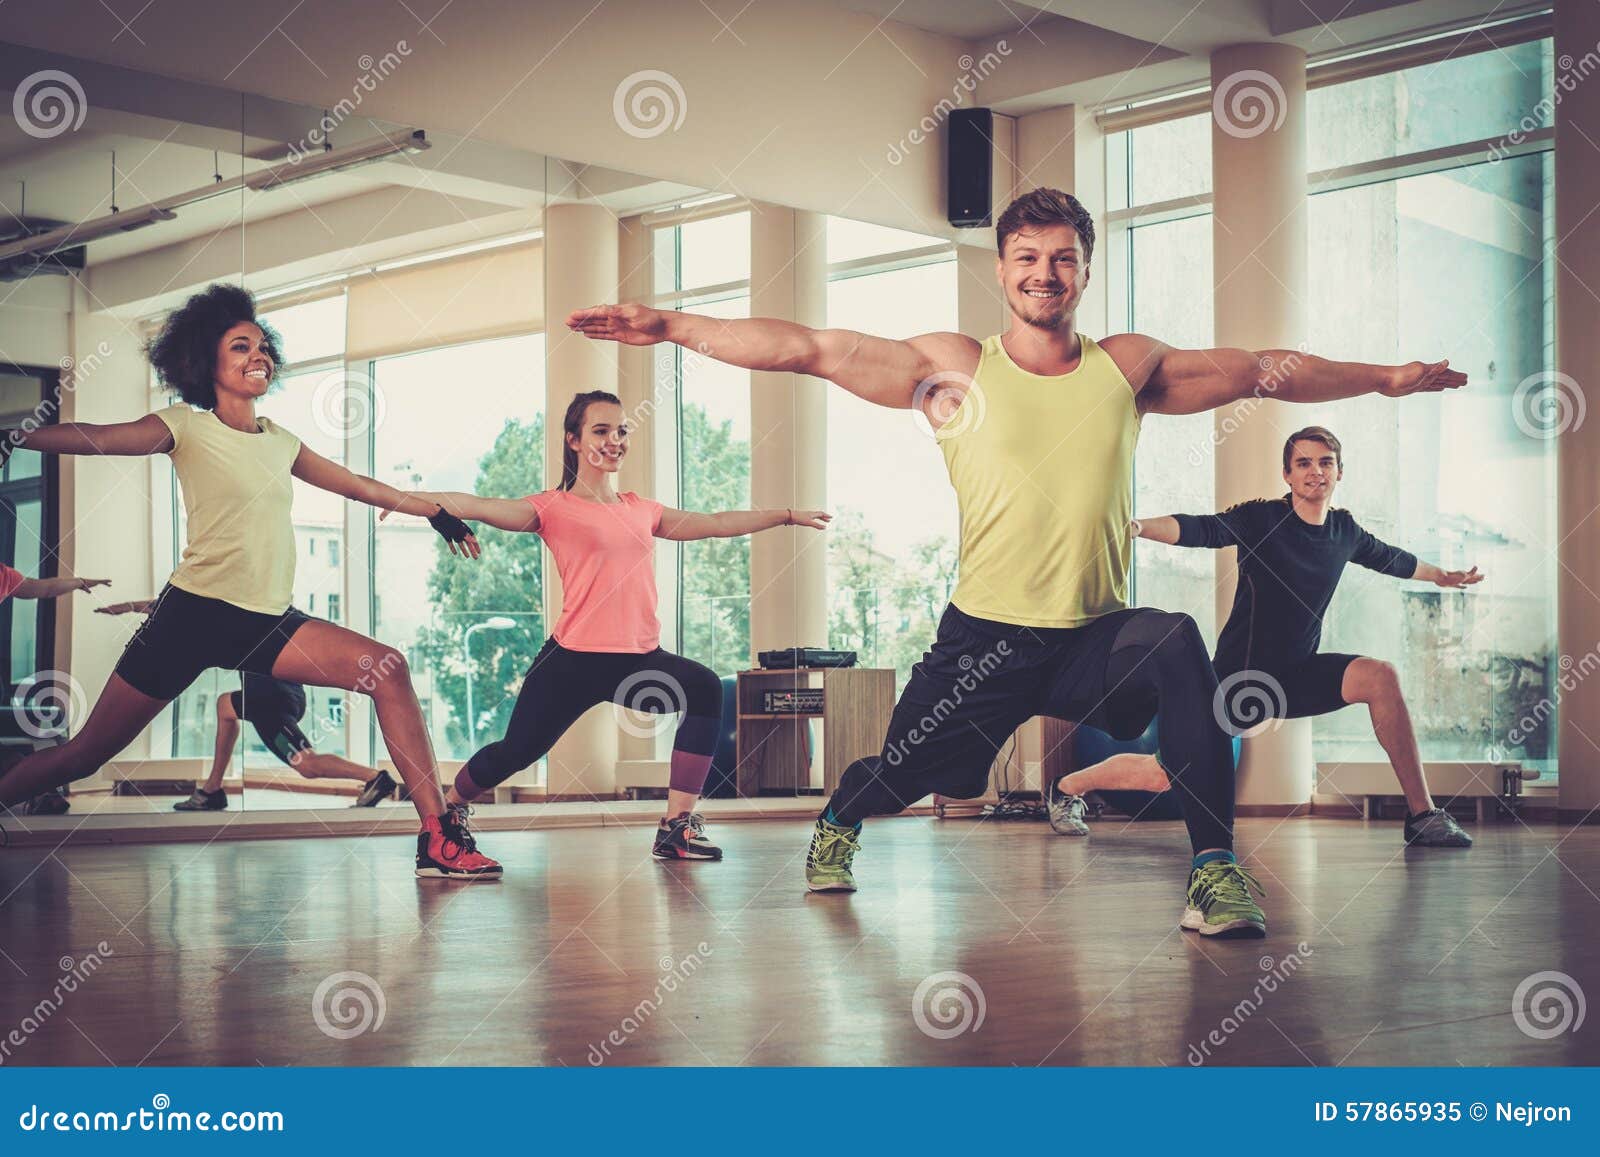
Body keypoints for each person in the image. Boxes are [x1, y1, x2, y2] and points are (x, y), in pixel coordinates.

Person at [569, 187, 1467, 938]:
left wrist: (1384, 379)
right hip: (985, 642)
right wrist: (673, 323)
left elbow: (1265, 368)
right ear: (1001, 271)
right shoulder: (954, 371)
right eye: (1028, 257)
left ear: (1085, 271)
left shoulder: (1127, 369)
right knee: (910, 776)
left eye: (1064, 258)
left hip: (1093, 639)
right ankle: (839, 819)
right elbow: (809, 348)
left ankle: (1213, 870)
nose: (1046, 272)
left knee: (1174, 638)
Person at [0, 283, 498, 878]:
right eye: (240, 346)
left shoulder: (281, 442)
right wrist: (13, 436)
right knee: (84, 755)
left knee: (388, 670)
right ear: (204, 361)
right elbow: (98, 437)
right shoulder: (185, 427)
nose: (257, 355)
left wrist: (433, 511)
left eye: (263, 347)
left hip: (265, 621)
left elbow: (360, 486)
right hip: (190, 616)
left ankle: (437, 835)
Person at [406, 389, 829, 860]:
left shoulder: (642, 510)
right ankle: (449, 809)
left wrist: (786, 516)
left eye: (622, 430)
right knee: (516, 751)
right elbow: (477, 503)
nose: (615, 440)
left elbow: (714, 522)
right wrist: (413, 502)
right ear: (573, 440)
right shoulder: (551, 507)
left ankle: (675, 826)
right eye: (601, 430)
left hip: (637, 662)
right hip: (571, 661)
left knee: (705, 687)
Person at [1048, 426, 1476, 848]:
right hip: (1240, 681)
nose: (1315, 471)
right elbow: (1203, 529)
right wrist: (1138, 527)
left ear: (1339, 472)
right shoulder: (1263, 519)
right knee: (1165, 774)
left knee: (1380, 677)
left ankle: (1423, 815)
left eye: (1325, 462)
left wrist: (1440, 576)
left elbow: (1391, 559)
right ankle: (1066, 787)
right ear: (1287, 474)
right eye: (1303, 463)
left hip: (1297, 674)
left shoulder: (1344, 531)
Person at [94, 599, 400, 810]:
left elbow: (176, 611)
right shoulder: (273, 612)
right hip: (282, 698)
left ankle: (375, 778)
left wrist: (132, 607)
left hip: (269, 702)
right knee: (225, 706)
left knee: (306, 764)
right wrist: (131, 607)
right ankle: (212, 789)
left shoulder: (251, 612)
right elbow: (178, 610)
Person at [0, 566, 111, 816]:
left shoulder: (3, 576)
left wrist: (79, 582)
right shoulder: (4, 576)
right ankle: (41, 791)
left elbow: (46, 587)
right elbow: (46, 588)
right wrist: (79, 582)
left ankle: (41, 791)